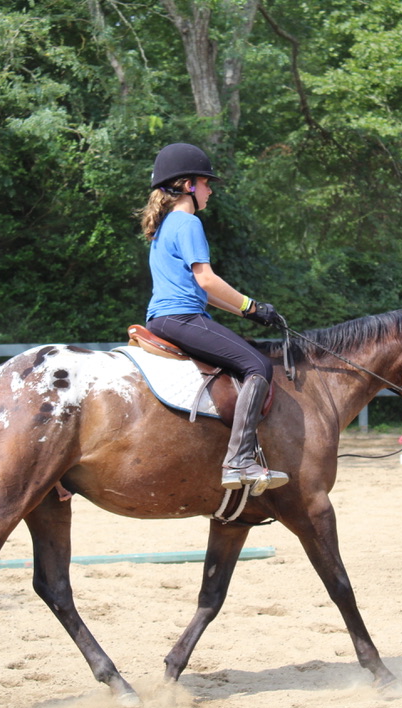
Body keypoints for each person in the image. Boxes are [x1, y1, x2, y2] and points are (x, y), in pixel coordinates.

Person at [139, 142, 289, 492]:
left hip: (163, 319)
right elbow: (206, 278)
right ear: (188, 185)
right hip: (182, 318)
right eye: (206, 183)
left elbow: (204, 291)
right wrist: (253, 306)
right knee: (259, 366)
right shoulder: (188, 223)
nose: (209, 190)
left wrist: (247, 313)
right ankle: (239, 460)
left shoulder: (163, 228)